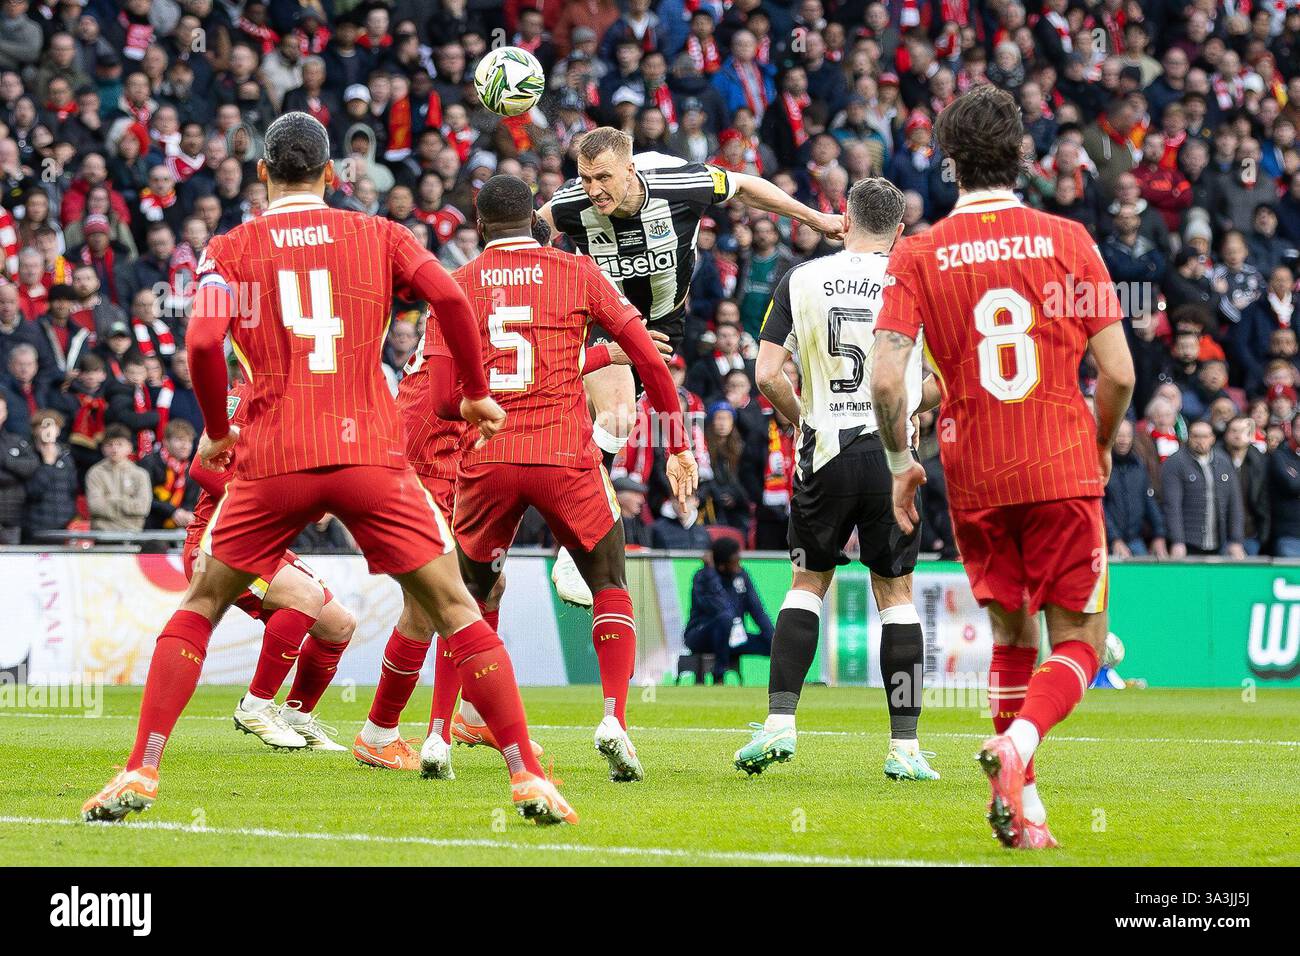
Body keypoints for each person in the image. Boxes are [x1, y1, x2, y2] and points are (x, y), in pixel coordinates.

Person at [82, 113, 575, 827]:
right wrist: (473, 390)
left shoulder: (230, 248)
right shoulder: (380, 233)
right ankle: (527, 775)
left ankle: (142, 767)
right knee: (456, 608)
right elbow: (450, 298)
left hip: (275, 454)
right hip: (372, 454)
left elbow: (200, 340)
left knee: (200, 607)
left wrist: (219, 433)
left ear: (261, 174)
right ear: (332, 175)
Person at [872, 87, 1137, 850]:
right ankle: (1018, 748)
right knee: (1083, 636)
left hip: (975, 472)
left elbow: (889, 382)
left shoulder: (918, 253)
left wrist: (901, 464)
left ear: (948, 164)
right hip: (1059, 460)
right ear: (1023, 155)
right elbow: (1116, 373)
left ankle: (1026, 815)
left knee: (1012, 633)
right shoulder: (1068, 238)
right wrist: (1099, 446)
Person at [424, 175, 696, 783]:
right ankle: (613, 721)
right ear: (538, 221)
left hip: (489, 459)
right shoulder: (576, 273)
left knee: (463, 599)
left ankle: (439, 734)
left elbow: (444, 400)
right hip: (563, 458)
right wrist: (676, 445)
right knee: (609, 582)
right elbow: (650, 357)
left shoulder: (454, 287)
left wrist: (482, 401)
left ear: (477, 221)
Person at [537, 127, 843, 603]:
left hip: (664, 324)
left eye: (603, 178)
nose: (593, 189)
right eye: (585, 178)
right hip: (603, 319)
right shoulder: (571, 204)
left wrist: (816, 219)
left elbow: (744, 184)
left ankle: (576, 508)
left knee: (612, 427)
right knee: (616, 416)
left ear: (630, 169)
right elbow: (524, 234)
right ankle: (573, 544)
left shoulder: (678, 182)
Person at [733, 177, 942, 783]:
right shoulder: (914, 282)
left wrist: (803, 420)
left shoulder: (801, 278)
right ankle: (904, 748)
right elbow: (943, 383)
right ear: (900, 231)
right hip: (890, 455)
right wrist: (905, 406)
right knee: (897, 597)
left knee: (807, 584)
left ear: (843, 220)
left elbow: (768, 372)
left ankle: (778, 725)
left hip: (823, 449)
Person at [183, 382, 355, 753]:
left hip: (264, 543)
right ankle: (256, 706)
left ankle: (296, 715)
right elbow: (201, 468)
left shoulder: (304, 409)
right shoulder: (244, 396)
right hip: (218, 542)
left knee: (339, 625)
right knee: (305, 597)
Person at [684, 537, 774, 682]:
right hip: (701, 636)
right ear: (722, 565)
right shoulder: (702, 577)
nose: (739, 565)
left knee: (775, 643)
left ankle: (785, 682)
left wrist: (774, 639)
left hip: (733, 638)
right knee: (725, 619)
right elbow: (721, 607)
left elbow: (757, 611)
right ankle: (719, 675)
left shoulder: (742, 576)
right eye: (735, 562)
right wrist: (711, 573)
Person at [1161, 420, 1246, 558]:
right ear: (1189, 437)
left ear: (1212, 438)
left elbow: (1235, 503)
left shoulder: (1223, 461)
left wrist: (1236, 540)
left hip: (1219, 542)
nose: (1200, 441)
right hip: (1188, 543)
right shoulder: (1175, 463)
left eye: (1205, 436)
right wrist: (1177, 541)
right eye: (1196, 436)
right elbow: (1172, 506)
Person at [85, 424, 151, 532]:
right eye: (110, 444)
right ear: (103, 448)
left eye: (119, 444)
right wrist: (127, 504)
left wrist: (110, 499)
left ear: (129, 447)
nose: (114, 449)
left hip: (132, 534)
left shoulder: (140, 474)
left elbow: (143, 508)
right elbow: (95, 506)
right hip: (102, 535)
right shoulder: (95, 473)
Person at [0, 395, 37, 543]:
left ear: (5, 413)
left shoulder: (16, 441)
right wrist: (14, 476)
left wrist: (7, 461)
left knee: (12, 563)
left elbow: (31, 466)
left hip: (12, 517)